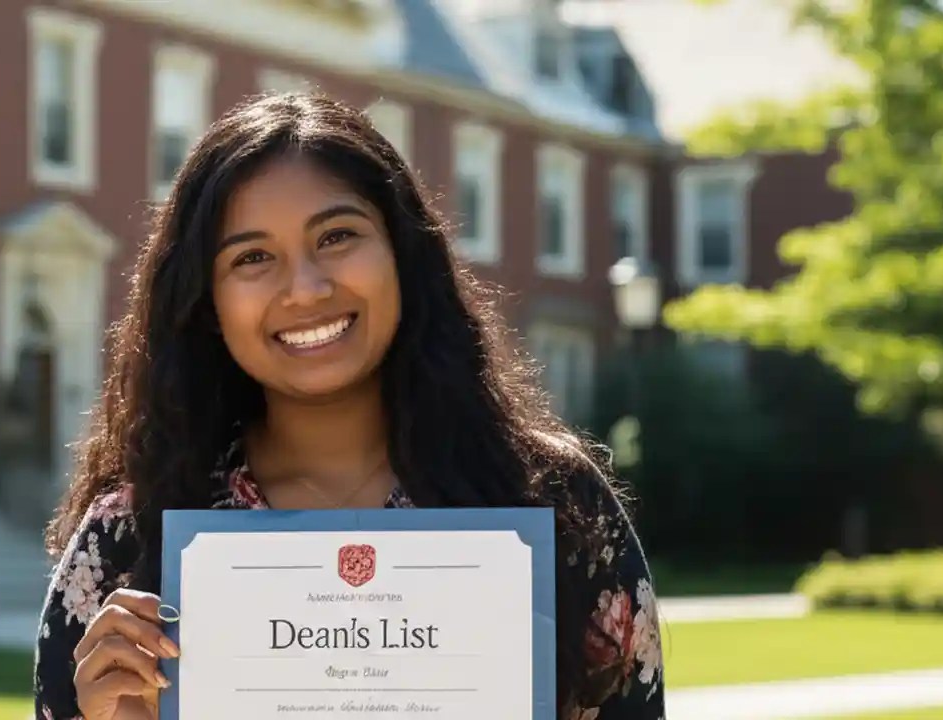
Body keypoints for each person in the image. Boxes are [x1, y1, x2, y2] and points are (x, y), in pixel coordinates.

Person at [33, 92, 665, 720]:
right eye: (253, 257)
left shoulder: (554, 502)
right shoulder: (123, 546)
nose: (306, 288)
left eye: (337, 236)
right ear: (206, 303)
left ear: (403, 253)